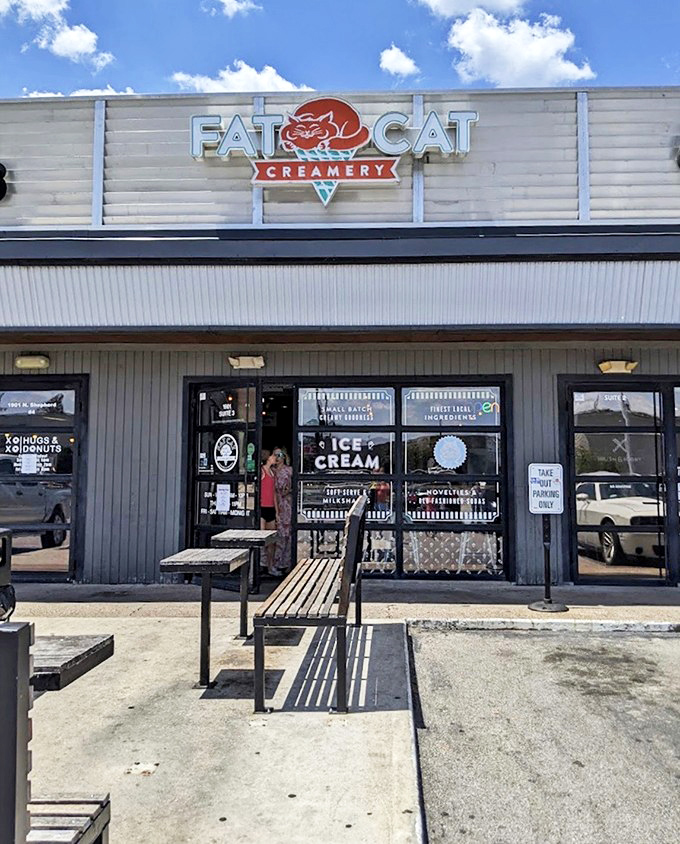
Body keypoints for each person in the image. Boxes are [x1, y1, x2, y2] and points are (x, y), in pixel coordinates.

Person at [272, 446, 293, 574]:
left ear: (284, 457)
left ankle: (287, 563)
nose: (277, 458)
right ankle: (274, 562)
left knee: (288, 534)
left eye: (279, 455)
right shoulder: (272, 471)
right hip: (276, 503)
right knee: (277, 534)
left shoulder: (289, 470)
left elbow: (295, 485)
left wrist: (289, 490)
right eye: (275, 455)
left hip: (287, 503)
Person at [260, 450, 277, 574]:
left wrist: (277, 511)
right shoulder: (261, 471)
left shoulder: (272, 472)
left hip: (271, 508)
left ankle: (270, 566)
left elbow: (274, 493)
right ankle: (260, 566)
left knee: (271, 541)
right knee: (261, 539)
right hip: (262, 508)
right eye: (272, 456)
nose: (274, 457)